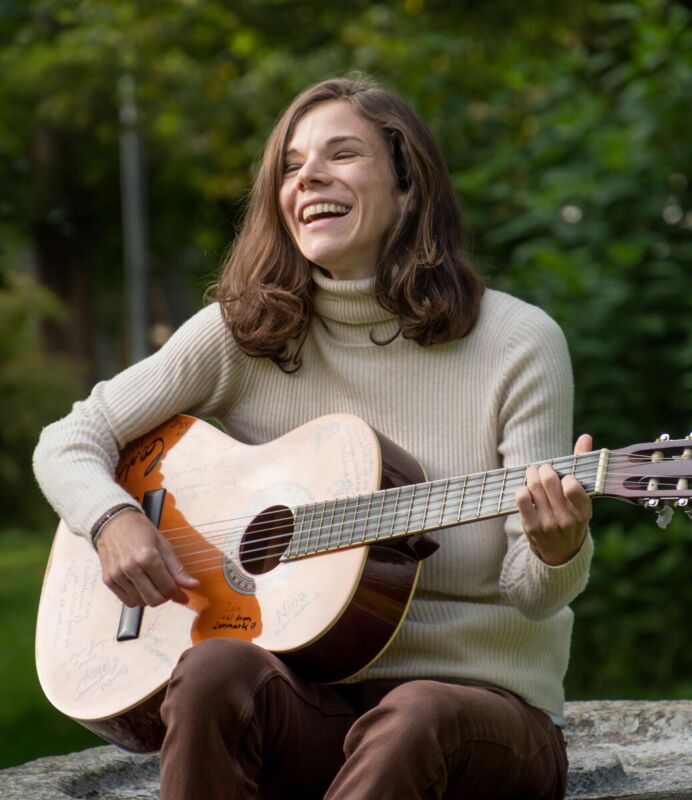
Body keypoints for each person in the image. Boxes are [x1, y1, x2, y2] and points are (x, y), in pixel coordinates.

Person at [34, 76, 593, 799]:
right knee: (210, 670)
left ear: (409, 186)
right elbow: (70, 439)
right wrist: (112, 521)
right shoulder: (243, 335)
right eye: (292, 165)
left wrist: (558, 548)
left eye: (342, 154)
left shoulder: (517, 343)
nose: (310, 178)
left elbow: (534, 592)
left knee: (413, 713)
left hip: (481, 719)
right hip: (315, 709)